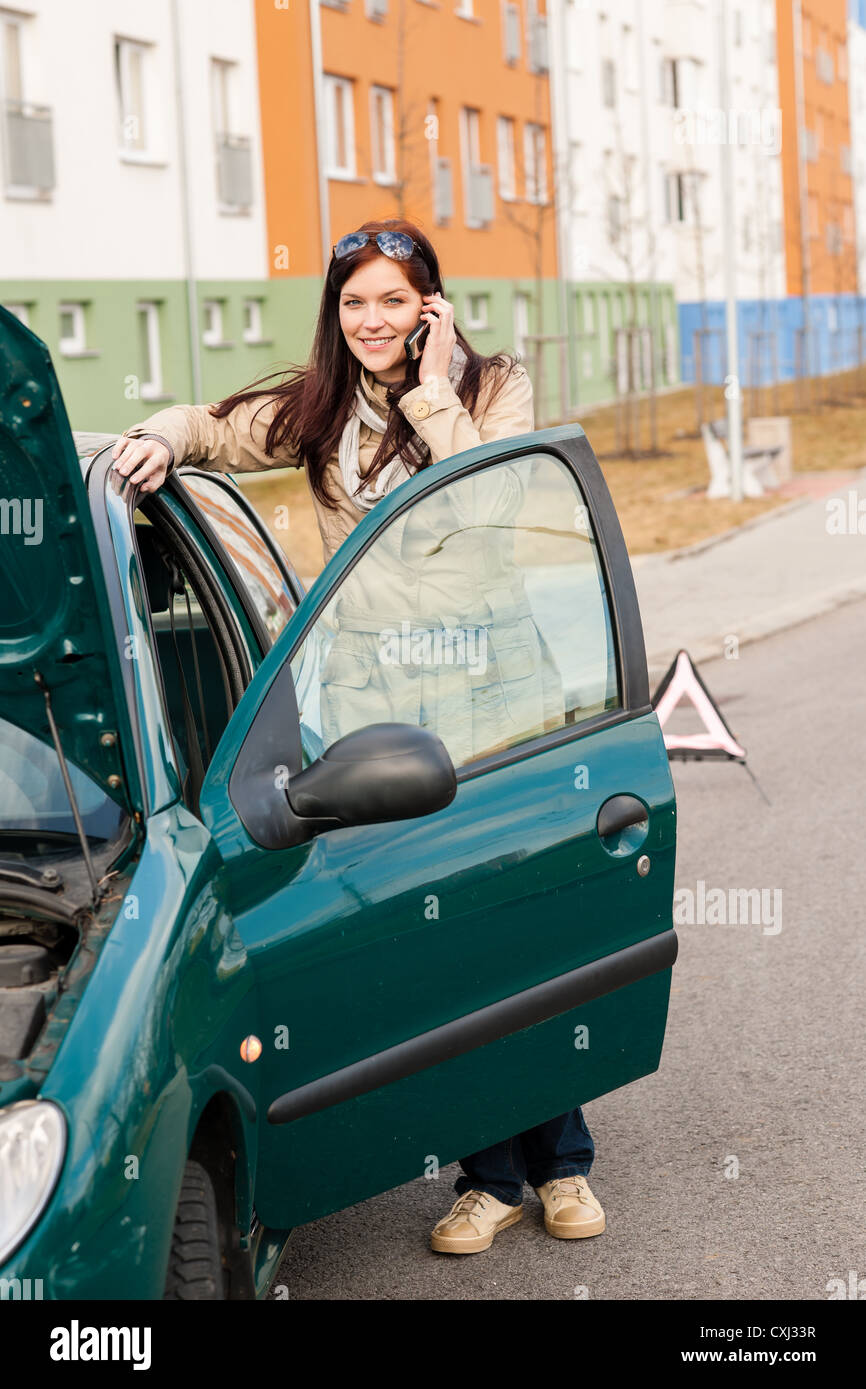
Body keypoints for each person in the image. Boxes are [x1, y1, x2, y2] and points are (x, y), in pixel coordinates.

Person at [111, 216, 605, 1256]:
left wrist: (431, 383)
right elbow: (209, 425)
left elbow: (495, 495)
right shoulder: (316, 403)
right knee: (441, 941)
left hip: (499, 699)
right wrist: (153, 437)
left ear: (428, 302)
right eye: (352, 303)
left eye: (392, 299)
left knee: (517, 928)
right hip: (386, 710)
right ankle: (485, 1177)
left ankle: (560, 1162)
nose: (370, 320)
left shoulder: (489, 386)